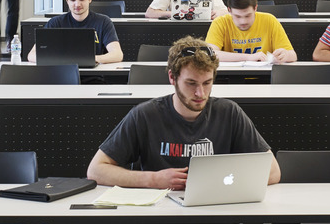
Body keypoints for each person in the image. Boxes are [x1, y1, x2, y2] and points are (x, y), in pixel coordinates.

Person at [87, 36, 280, 189]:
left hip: (214, 216)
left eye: (207, 83)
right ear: (172, 77)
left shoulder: (229, 113)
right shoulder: (145, 115)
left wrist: (220, 182)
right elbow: (96, 170)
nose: (200, 93)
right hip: (158, 219)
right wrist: (153, 180)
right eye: (191, 83)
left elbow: (273, 172)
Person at [28, 0, 123, 65]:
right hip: (61, 78)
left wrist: (90, 59)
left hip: (93, 78)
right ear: (66, 0)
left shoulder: (103, 22)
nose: (77, 4)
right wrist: (62, 60)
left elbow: (117, 54)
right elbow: (31, 55)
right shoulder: (55, 23)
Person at [205, 0, 297, 64]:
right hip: (230, 78)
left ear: (255, 8)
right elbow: (210, 54)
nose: (243, 21)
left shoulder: (270, 20)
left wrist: (285, 55)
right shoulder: (220, 22)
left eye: (248, 15)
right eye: (237, 16)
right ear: (229, 10)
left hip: (265, 78)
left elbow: (293, 55)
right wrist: (249, 57)